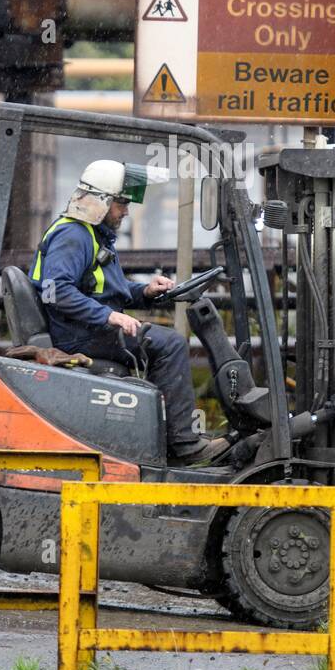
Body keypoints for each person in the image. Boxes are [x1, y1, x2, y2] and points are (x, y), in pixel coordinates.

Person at [29, 159, 230, 466]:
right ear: (101, 201)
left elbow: (111, 289)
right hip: (79, 336)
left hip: (89, 329)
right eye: (121, 204)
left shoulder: (93, 236)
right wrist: (110, 317)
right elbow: (57, 292)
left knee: (163, 342)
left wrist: (146, 291)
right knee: (169, 344)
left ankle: (163, 437)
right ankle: (184, 444)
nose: (126, 211)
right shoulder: (74, 236)